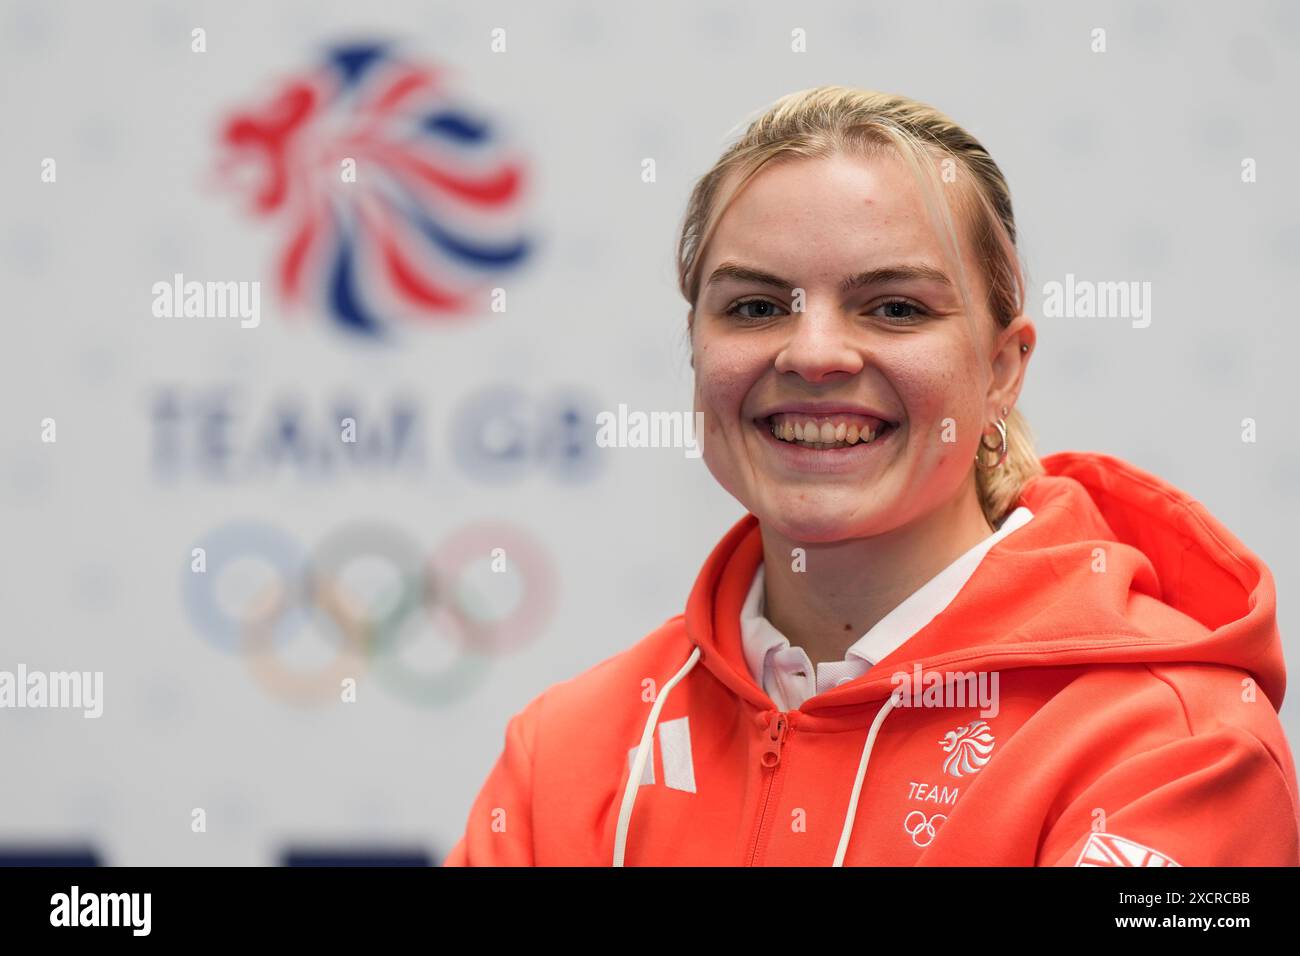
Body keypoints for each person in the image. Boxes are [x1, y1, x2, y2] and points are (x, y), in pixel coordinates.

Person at [443, 85, 1300, 866]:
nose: (814, 353)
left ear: (1002, 370)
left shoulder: (1173, 746)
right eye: (755, 306)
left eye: (894, 307)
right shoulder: (568, 753)